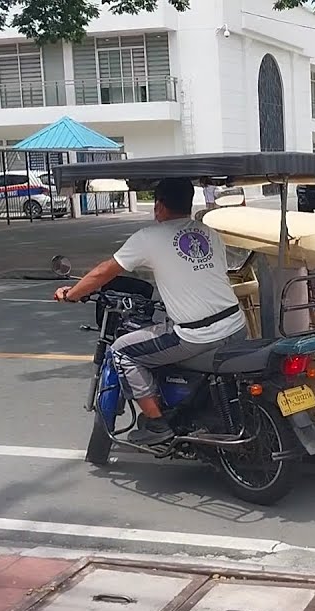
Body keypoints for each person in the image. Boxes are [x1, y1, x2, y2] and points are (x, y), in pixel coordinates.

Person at [53, 177, 247, 445]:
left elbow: (102, 272)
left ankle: (157, 424)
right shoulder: (208, 232)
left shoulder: (148, 238)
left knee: (122, 351)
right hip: (236, 325)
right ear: (189, 204)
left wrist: (71, 294)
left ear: (158, 206)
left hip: (197, 336)